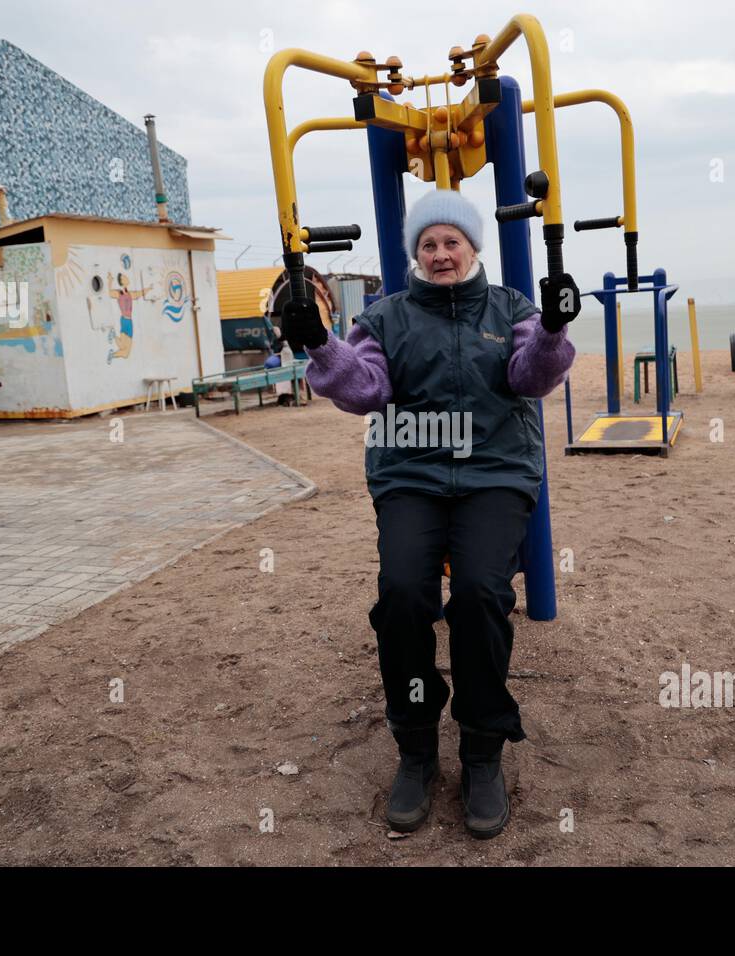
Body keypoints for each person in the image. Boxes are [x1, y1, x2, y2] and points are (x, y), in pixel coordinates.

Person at [280, 189, 579, 839]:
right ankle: (415, 748)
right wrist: (321, 346)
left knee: (478, 592)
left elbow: (532, 375)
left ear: (472, 247)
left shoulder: (510, 308)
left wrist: (555, 330)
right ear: (416, 253)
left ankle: (481, 751)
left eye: (451, 242)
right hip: (410, 475)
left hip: (495, 470)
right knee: (404, 595)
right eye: (428, 244)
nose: (440, 254)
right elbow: (363, 390)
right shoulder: (387, 319)